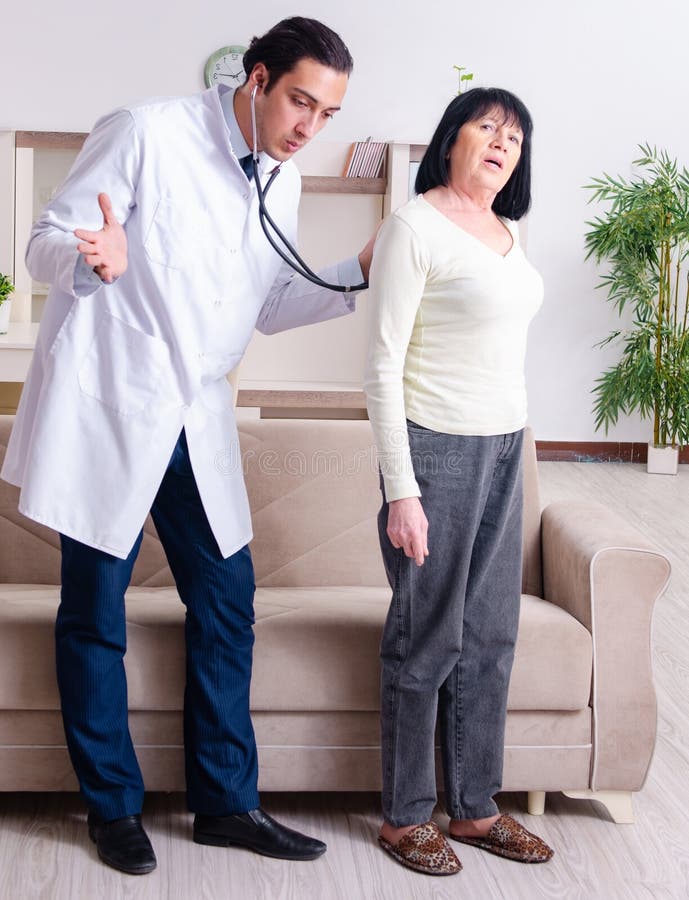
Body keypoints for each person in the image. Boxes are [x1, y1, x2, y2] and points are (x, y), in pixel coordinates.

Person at [1, 17, 374, 876]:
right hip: (113, 409)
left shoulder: (282, 177)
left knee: (226, 603)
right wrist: (94, 258)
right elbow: (43, 244)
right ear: (255, 79)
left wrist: (357, 268)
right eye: (299, 102)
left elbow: (269, 305)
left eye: (326, 114)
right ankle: (111, 809)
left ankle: (225, 804)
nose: (308, 128)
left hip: (194, 420)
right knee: (94, 616)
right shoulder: (145, 130)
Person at [364, 87, 553, 876]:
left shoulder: (506, 230)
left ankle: (474, 809)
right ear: (452, 138)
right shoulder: (414, 226)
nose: (501, 142)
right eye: (487, 126)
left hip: (506, 443)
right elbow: (379, 365)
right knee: (426, 635)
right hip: (432, 447)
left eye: (514, 134)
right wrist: (401, 490)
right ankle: (405, 817)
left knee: (489, 637)